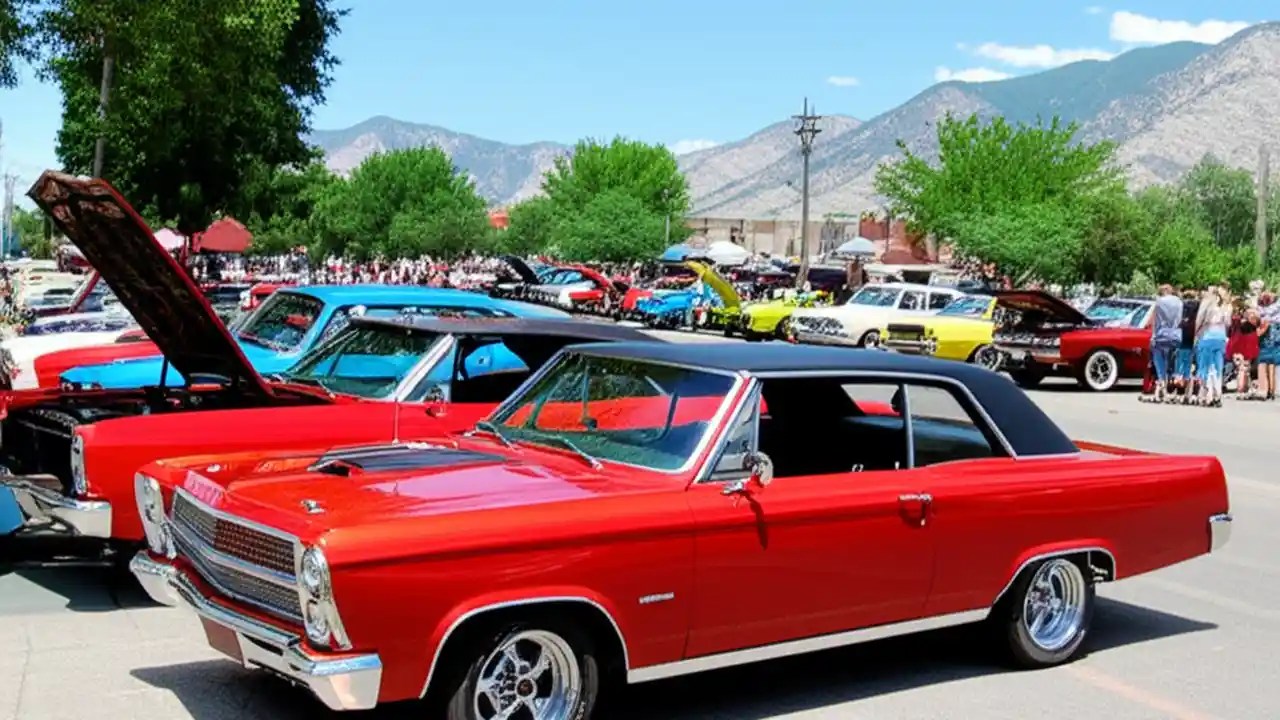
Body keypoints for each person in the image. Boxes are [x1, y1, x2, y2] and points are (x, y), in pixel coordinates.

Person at [1194, 286, 1231, 407]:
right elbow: (1228, 323)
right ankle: (1217, 394)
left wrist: (1196, 334)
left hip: (1207, 337)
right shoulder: (1224, 307)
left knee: (1206, 367)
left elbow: (1199, 320)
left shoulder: (1206, 304)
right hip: (1220, 338)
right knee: (1218, 367)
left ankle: (1207, 394)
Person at [1149, 284, 1183, 401]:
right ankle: (1173, 384)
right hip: (1176, 334)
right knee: (1173, 359)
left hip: (1162, 334)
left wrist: (1153, 336)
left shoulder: (1159, 303)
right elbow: (1180, 319)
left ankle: (1162, 383)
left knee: (1158, 357)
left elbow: (1156, 321)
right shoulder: (1179, 302)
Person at [1256, 292, 1280, 400]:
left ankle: (1265, 390)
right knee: (1272, 366)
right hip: (1275, 338)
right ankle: (1272, 391)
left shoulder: (1261, 311)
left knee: (1264, 364)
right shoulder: (1277, 311)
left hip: (1266, 338)